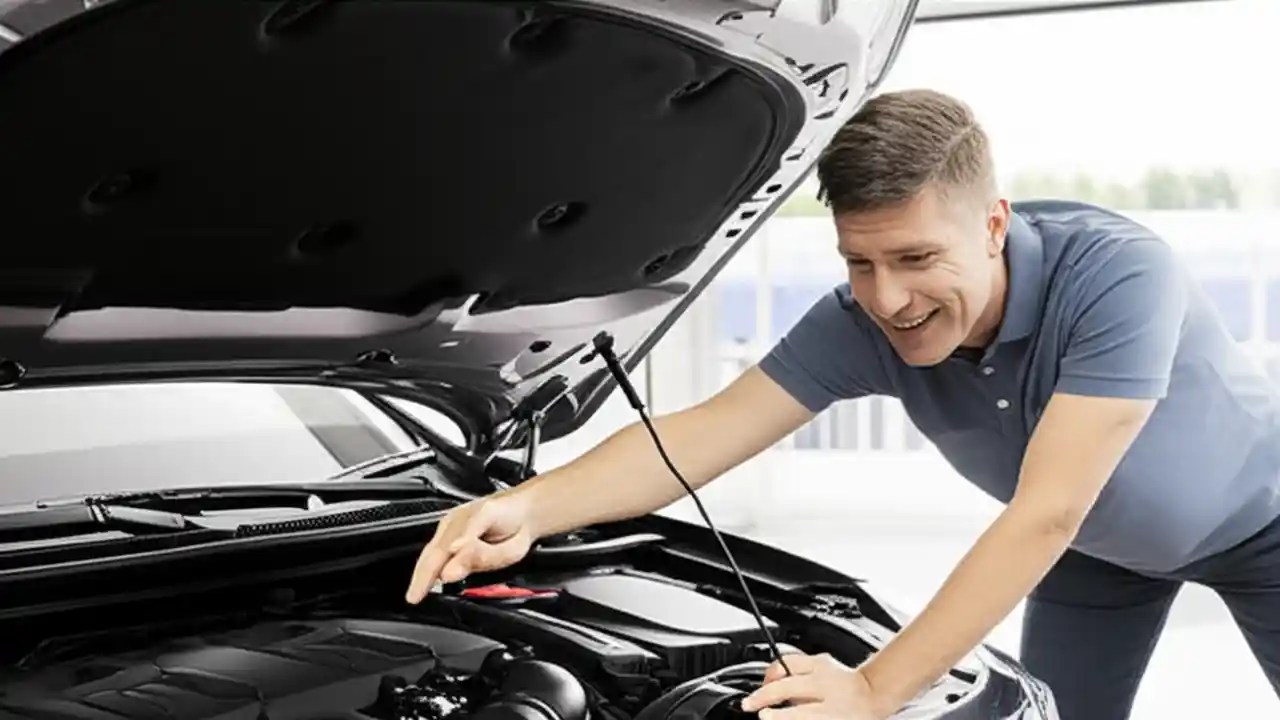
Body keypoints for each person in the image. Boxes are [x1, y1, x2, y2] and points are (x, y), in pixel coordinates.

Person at [404, 88, 1280, 720]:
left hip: (1264, 534)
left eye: (913, 258)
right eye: (859, 262)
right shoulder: (858, 322)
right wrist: (523, 506)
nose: (888, 298)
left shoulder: (1118, 276)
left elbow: (1046, 511)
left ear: (993, 225)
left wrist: (872, 690)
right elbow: (701, 434)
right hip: (1105, 555)